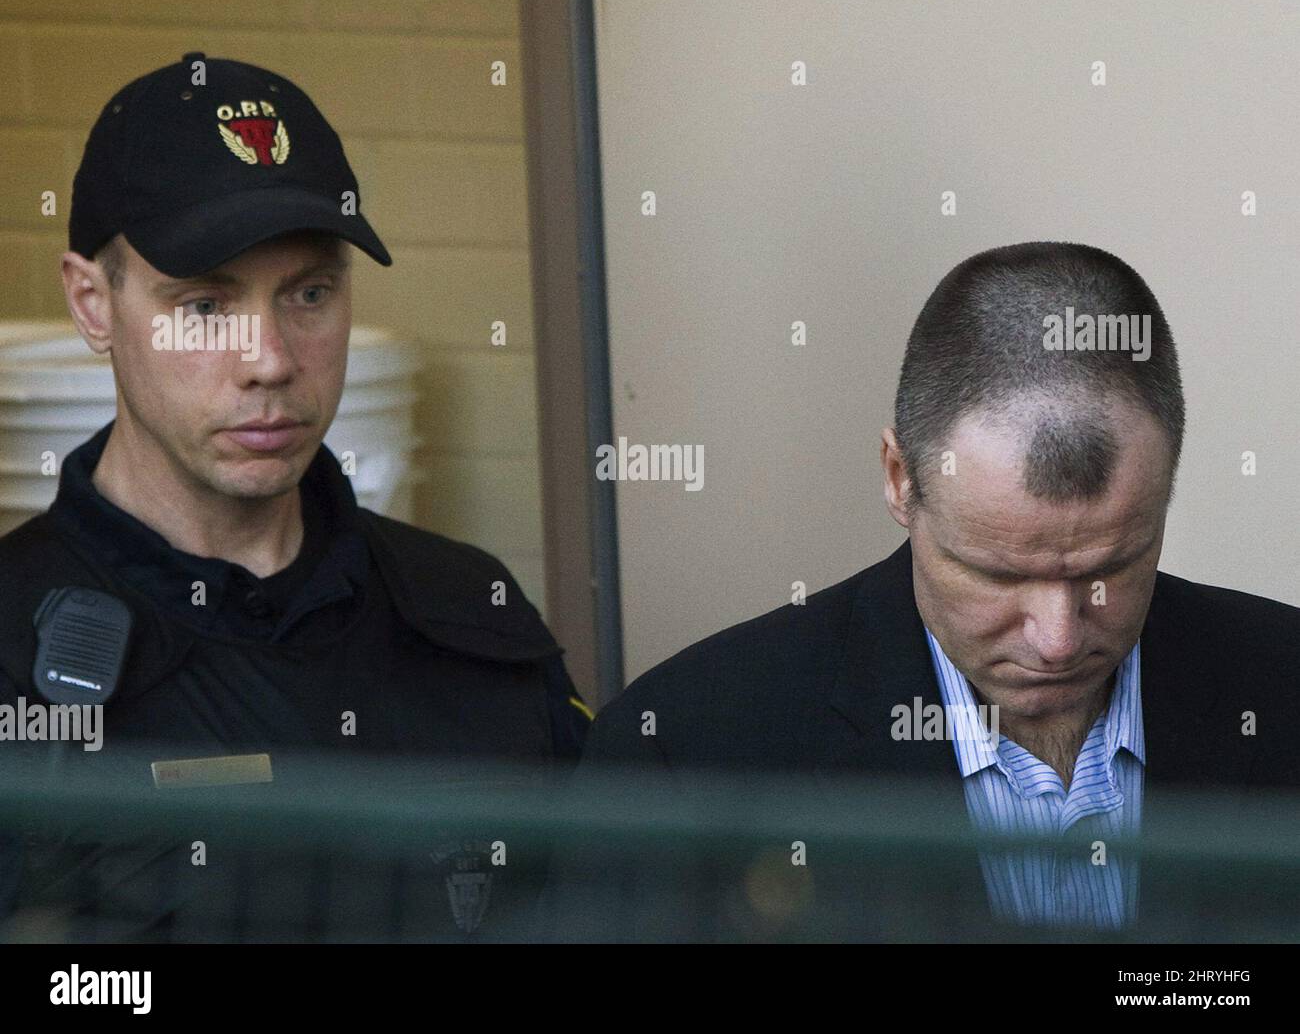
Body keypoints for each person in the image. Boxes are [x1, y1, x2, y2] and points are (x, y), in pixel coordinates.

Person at [548, 242, 1300, 941]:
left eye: (1109, 570)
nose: (1059, 637)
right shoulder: (682, 757)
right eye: (998, 573)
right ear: (901, 480)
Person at [0, 52, 590, 941]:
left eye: (309, 293)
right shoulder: (13, 649)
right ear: (92, 303)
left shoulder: (473, 614)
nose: (270, 359)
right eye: (205, 306)